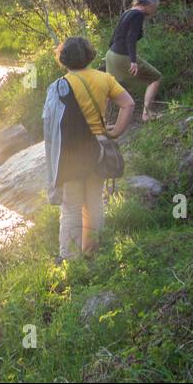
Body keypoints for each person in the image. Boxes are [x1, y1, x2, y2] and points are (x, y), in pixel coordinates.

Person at [44, 36, 134, 261]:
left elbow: (48, 121)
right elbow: (128, 104)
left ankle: (69, 258)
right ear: (89, 55)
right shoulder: (105, 79)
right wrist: (115, 132)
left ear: (64, 59)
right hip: (98, 149)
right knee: (94, 202)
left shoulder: (59, 86)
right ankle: (93, 253)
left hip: (71, 154)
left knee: (71, 206)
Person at [105, 0, 162, 121]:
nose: (155, 10)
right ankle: (146, 114)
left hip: (111, 54)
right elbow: (130, 38)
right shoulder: (138, 15)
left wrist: (112, 53)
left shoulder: (127, 12)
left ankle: (100, 122)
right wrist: (133, 60)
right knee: (155, 78)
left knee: (110, 89)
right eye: (155, 7)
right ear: (149, 4)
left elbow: (114, 37)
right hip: (122, 55)